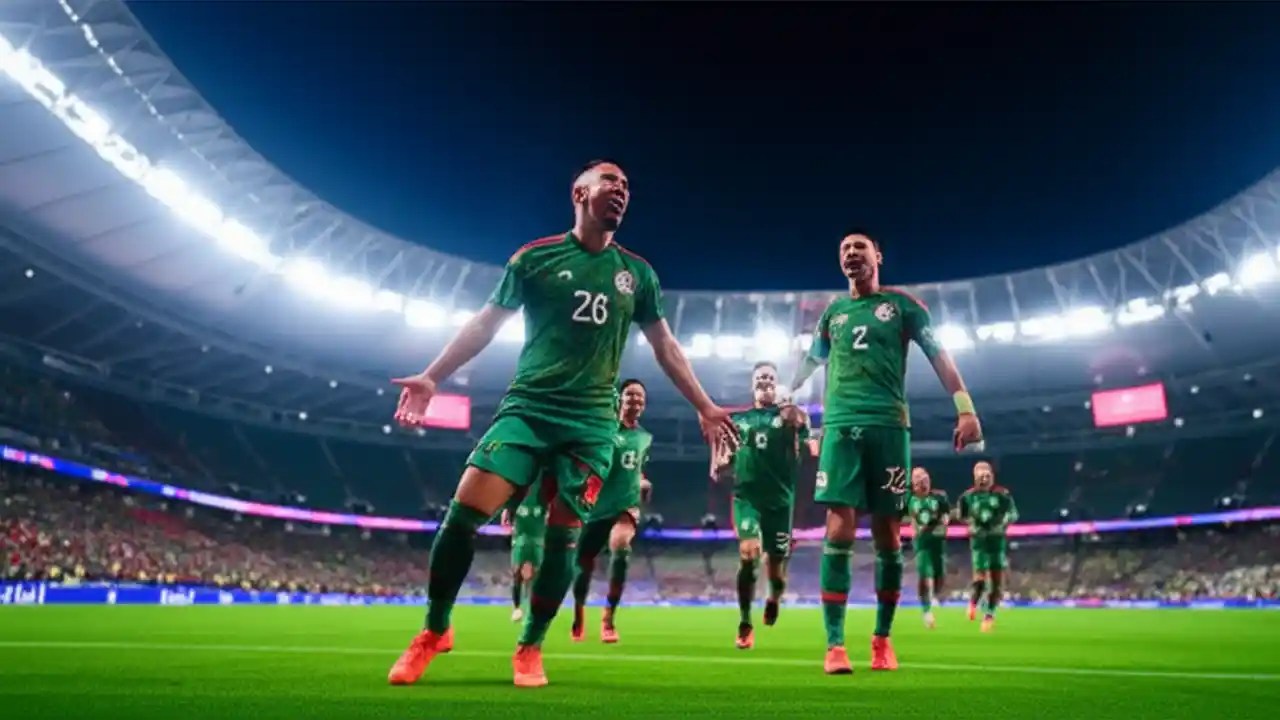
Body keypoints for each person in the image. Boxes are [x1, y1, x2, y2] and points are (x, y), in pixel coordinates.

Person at [386, 159, 737, 689]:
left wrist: (705, 405)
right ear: (580, 192)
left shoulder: (637, 274)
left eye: (626, 186)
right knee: (461, 517)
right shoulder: (536, 258)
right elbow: (486, 322)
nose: (621, 190)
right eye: (610, 182)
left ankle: (530, 645)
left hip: (591, 425)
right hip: (528, 409)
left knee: (562, 538)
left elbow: (665, 345)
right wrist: (434, 377)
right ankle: (434, 629)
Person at [789, 230, 983, 674]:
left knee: (888, 535)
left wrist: (965, 408)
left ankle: (882, 640)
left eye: (859, 247)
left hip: (889, 427)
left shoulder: (904, 308)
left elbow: (939, 354)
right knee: (837, 530)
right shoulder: (832, 314)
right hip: (839, 427)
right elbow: (813, 360)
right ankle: (835, 645)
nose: (851, 253)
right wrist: (788, 390)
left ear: (878, 256)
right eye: (843, 249)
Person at [712, 361, 810, 649]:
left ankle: (774, 598)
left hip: (780, 503)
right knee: (748, 553)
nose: (765, 380)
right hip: (747, 499)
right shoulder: (738, 421)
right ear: (753, 385)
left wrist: (796, 417)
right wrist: (722, 463)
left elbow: (810, 446)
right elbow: (725, 461)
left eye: (770, 377)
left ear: (776, 384)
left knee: (777, 574)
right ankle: (745, 622)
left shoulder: (790, 417)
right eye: (760, 377)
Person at [570, 378, 652, 644]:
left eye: (640, 397)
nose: (635, 401)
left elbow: (637, 468)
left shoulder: (645, 438)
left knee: (621, 547)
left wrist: (642, 482)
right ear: (620, 399)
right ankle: (579, 614)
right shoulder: (603, 430)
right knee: (583, 566)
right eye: (631, 395)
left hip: (626, 505)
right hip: (596, 506)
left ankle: (608, 619)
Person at [956, 460, 1017, 632]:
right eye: (981, 476)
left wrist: (1004, 522)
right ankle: (973, 602)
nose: (984, 479)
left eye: (987, 475)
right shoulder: (967, 497)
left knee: (997, 582)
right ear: (975, 477)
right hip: (979, 542)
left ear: (992, 477)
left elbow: (1013, 513)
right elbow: (961, 515)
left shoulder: (1002, 495)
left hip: (997, 542)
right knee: (981, 578)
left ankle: (989, 614)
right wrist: (971, 524)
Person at [905, 467, 950, 629]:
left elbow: (946, 515)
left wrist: (941, 522)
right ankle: (926, 610)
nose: (923, 483)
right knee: (924, 574)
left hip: (938, 541)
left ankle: (937, 595)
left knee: (939, 574)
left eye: (925, 479)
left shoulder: (939, 496)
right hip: (921, 542)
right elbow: (901, 516)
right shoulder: (909, 499)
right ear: (913, 483)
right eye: (919, 480)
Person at [501, 492, 547, 623]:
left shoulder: (542, 492)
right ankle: (517, 607)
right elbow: (507, 506)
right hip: (521, 537)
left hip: (537, 538)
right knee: (517, 572)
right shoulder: (517, 493)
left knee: (536, 574)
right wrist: (506, 512)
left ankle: (534, 608)